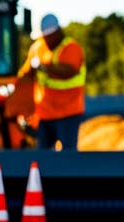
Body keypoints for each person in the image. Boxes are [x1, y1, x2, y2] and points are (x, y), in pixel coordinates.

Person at [15, 13, 85, 150]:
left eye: (48, 36)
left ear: (58, 32)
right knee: (43, 155)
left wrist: (43, 67)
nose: (46, 40)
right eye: (44, 36)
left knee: (67, 153)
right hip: (44, 113)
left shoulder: (71, 48)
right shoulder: (37, 48)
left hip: (68, 112)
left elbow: (67, 71)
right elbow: (25, 74)